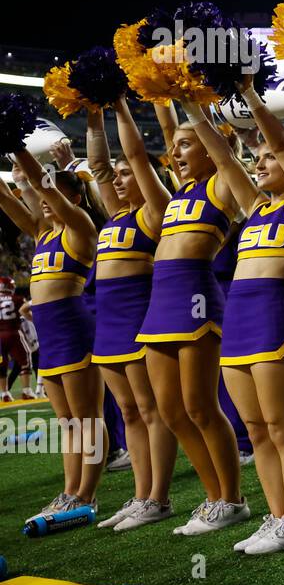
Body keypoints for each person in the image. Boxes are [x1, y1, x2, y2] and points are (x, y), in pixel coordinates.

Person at [181, 76, 284, 555]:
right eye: (256, 160)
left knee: (283, 427)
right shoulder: (256, 207)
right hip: (237, 319)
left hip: (272, 313)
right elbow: (222, 156)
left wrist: (248, 94)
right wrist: (190, 104)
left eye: (268, 160)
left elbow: (279, 141)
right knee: (257, 430)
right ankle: (275, 515)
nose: (259, 163)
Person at [134, 96, 250, 537]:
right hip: (160, 301)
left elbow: (218, 148)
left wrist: (190, 104)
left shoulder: (221, 183)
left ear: (208, 145)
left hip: (195, 297)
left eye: (185, 146)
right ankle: (212, 497)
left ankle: (233, 499)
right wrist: (162, 93)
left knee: (201, 406)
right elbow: (158, 140)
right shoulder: (178, 191)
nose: (175, 154)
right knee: (172, 412)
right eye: (175, 147)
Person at [84, 102, 177, 530]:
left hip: (140, 317)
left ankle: (159, 497)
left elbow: (136, 157)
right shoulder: (115, 215)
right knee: (127, 411)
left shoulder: (153, 213)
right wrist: (90, 114)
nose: (118, 180)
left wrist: (119, 107)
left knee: (150, 408)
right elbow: (99, 167)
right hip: (108, 324)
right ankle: (140, 495)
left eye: (127, 175)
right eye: (116, 177)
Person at [0, 149, 107, 521]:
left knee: (88, 418)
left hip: (74, 328)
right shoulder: (43, 232)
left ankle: (88, 494)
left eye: (52, 196)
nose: (44, 202)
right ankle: (69, 491)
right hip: (49, 335)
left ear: (72, 199)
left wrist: (19, 148)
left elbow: (44, 187)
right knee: (67, 422)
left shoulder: (81, 228)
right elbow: (4, 197)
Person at [0, 275, 36, 401]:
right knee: (25, 360)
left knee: (1, 365)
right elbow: (23, 310)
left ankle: (4, 393)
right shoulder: (17, 298)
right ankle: (26, 390)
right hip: (13, 333)